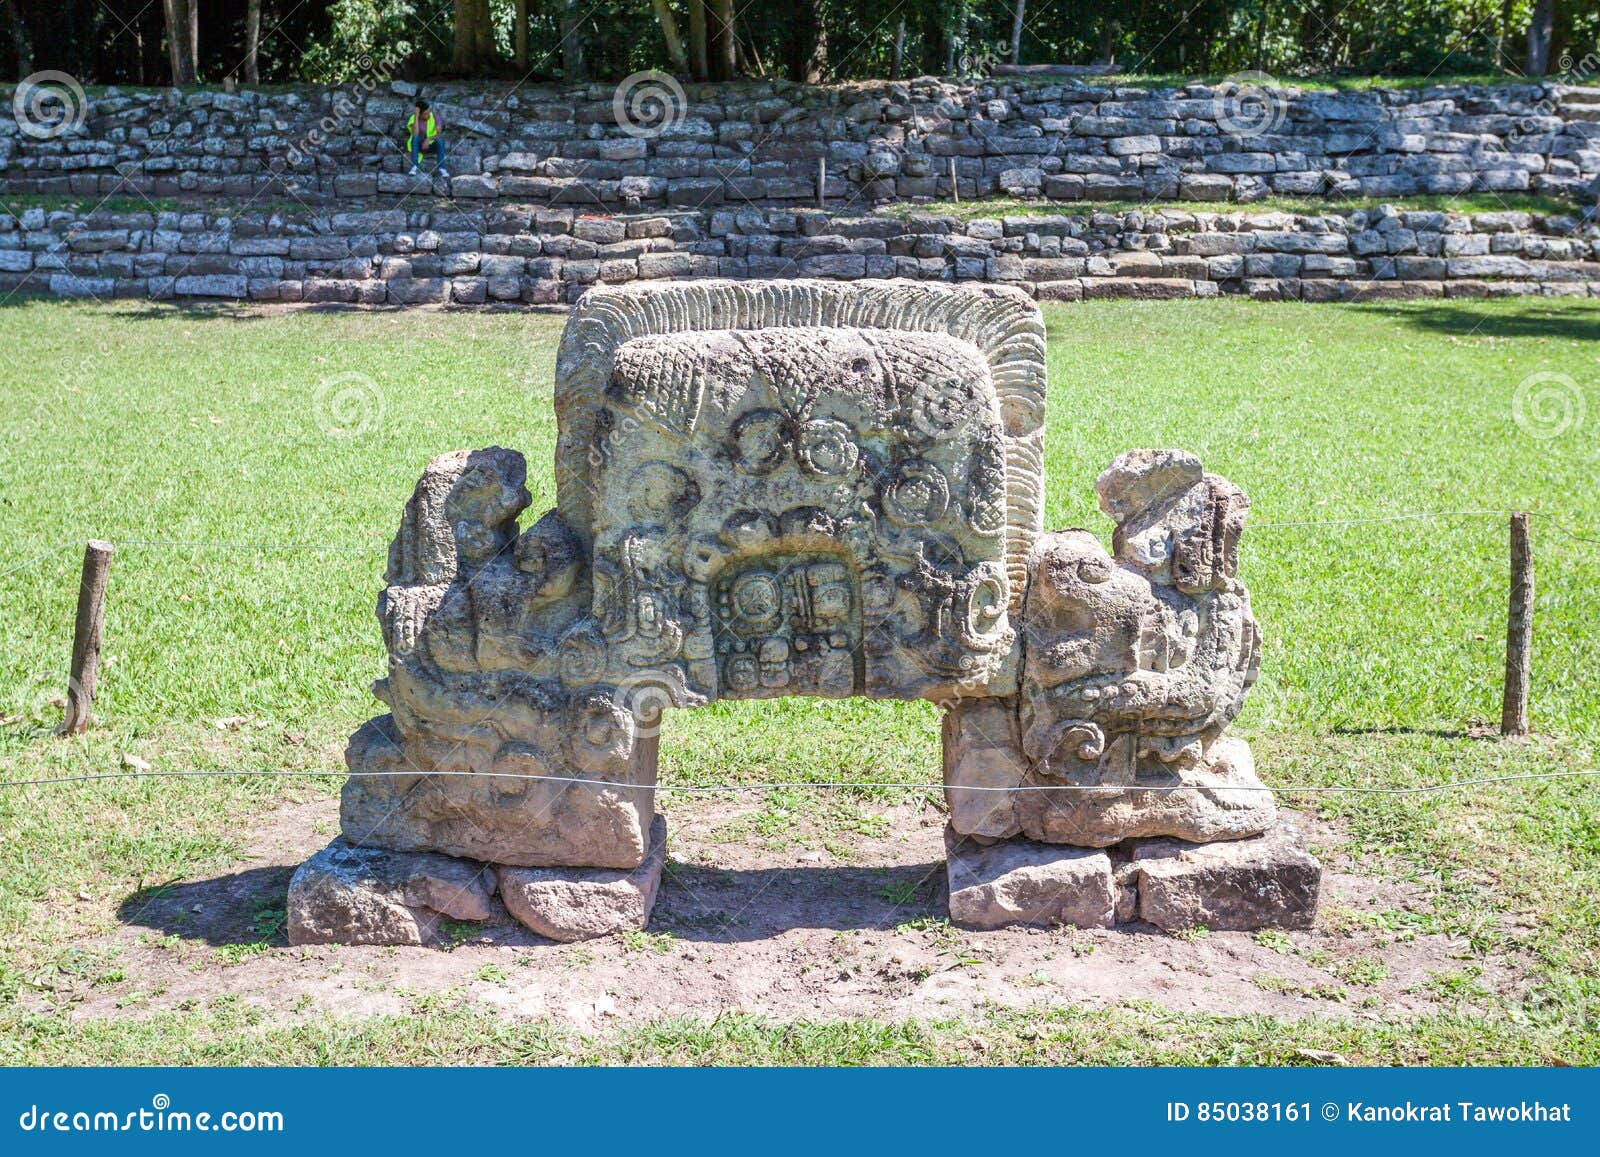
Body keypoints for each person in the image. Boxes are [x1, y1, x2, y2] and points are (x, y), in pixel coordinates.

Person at [406, 98, 450, 179]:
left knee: (440, 140)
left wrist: (429, 139)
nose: (428, 114)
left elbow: (439, 134)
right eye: (425, 113)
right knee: (415, 138)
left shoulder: (434, 116)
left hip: (431, 145)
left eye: (429, 111)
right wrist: (416, 116)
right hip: (418, 146)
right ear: (420, 114)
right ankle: (414, 166)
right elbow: (415, 134)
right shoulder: (414, 118)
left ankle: (442, 168)